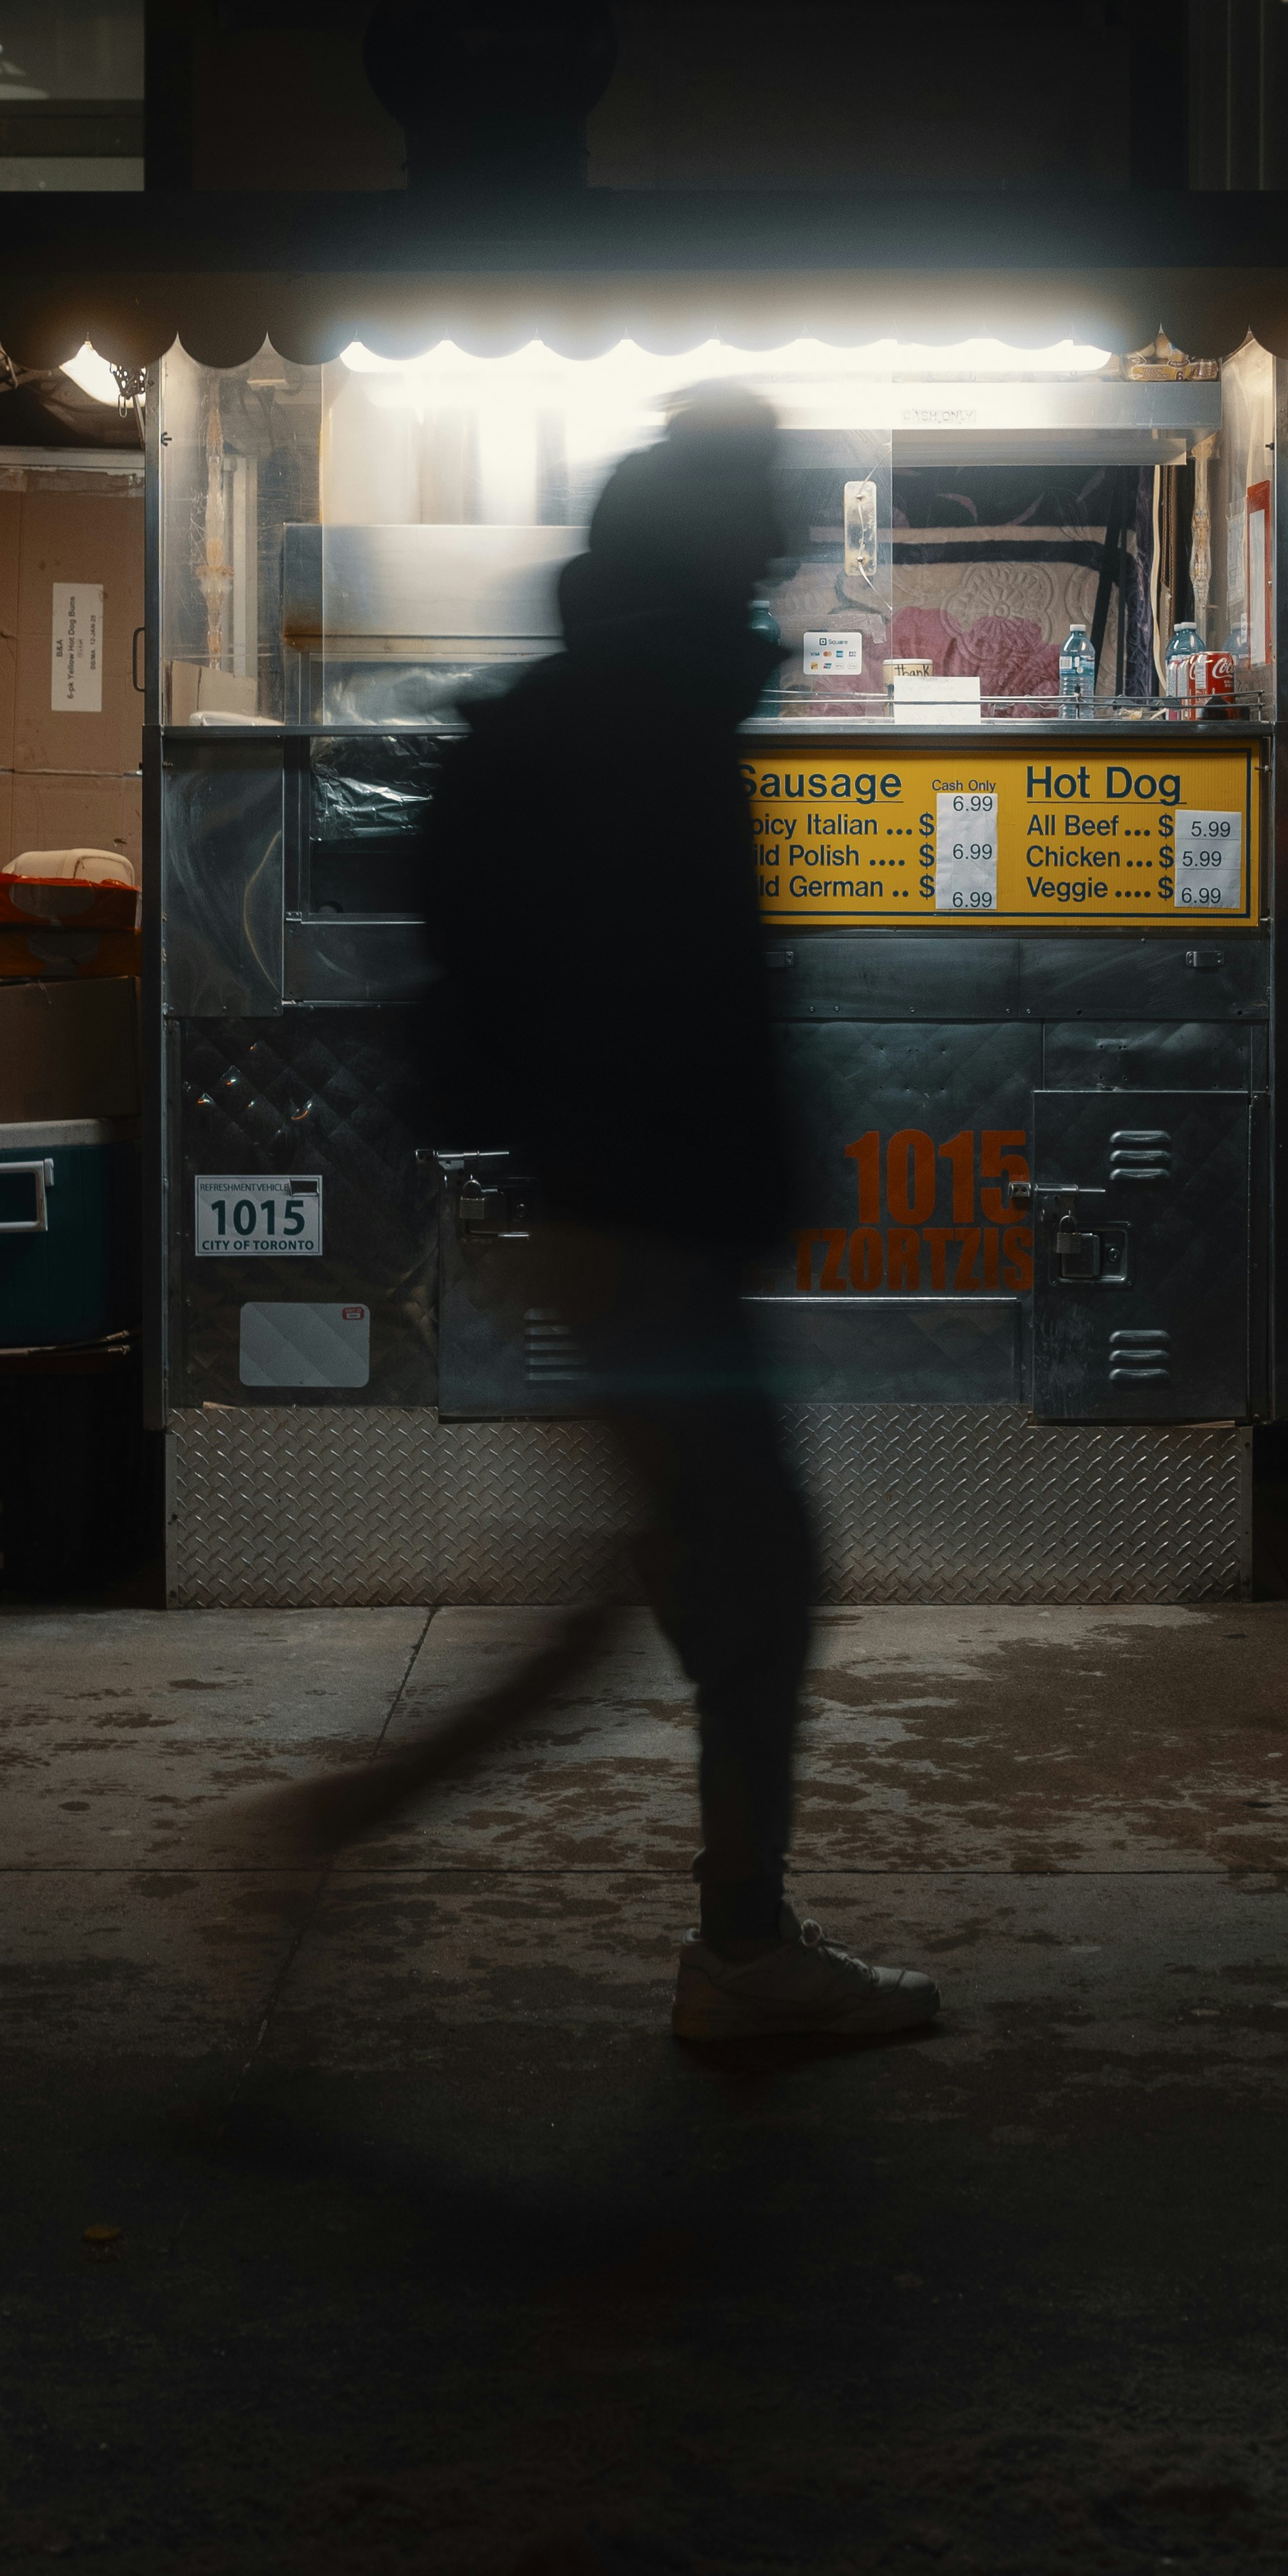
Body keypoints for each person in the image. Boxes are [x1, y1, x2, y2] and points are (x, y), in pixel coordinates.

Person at [385, 389, 938, 2042]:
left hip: (618, 1218)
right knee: (742, 1576)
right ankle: (736, 1956)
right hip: (644, 1229)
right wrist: (723, 1180)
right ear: (701, 544)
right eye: (759, 520)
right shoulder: (643, 726)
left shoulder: (608, 708)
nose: (782, 552)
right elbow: (659, 1002)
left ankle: (732, 1940)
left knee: (689, 1583)